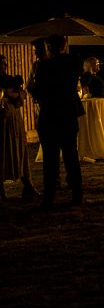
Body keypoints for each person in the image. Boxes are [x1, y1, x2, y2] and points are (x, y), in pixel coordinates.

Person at [30, 34, 84, 209]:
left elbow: (40, 93)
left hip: (50, 114)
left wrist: (32, 88)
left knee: (50, 158)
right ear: (64, 44)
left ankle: (49, 197)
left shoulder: (44, 66)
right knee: (71, 156)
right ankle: (77, 193)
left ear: (49, 47)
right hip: (68, 112)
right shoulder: (74, 62)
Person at [0, 54, 39, 199]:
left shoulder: (10, 79)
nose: (4, 66)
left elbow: (21, 96)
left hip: (14, 119)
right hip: (2, 121)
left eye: (5, 63)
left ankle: (28, 185)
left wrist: (13, 95)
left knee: (20, 150)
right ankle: (1, 191)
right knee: (3, 151)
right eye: (1, 64)